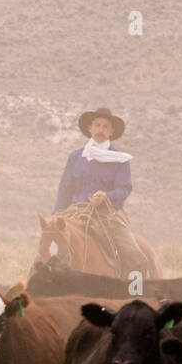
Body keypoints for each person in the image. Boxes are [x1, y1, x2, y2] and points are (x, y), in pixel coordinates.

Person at [52, 107, 150, 276]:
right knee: (46, 252)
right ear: (90, 128)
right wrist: (56, 216)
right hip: (75, 211)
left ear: (111, 131)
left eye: (105, 126)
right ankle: (32, 296)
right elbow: (65, 188)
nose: (101, 130)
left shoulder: (121, 159)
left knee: (135, 256)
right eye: (97, 125)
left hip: (107, 214)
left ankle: (138, 294)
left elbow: (124, 188)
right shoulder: (76, 157)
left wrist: (106, 196)